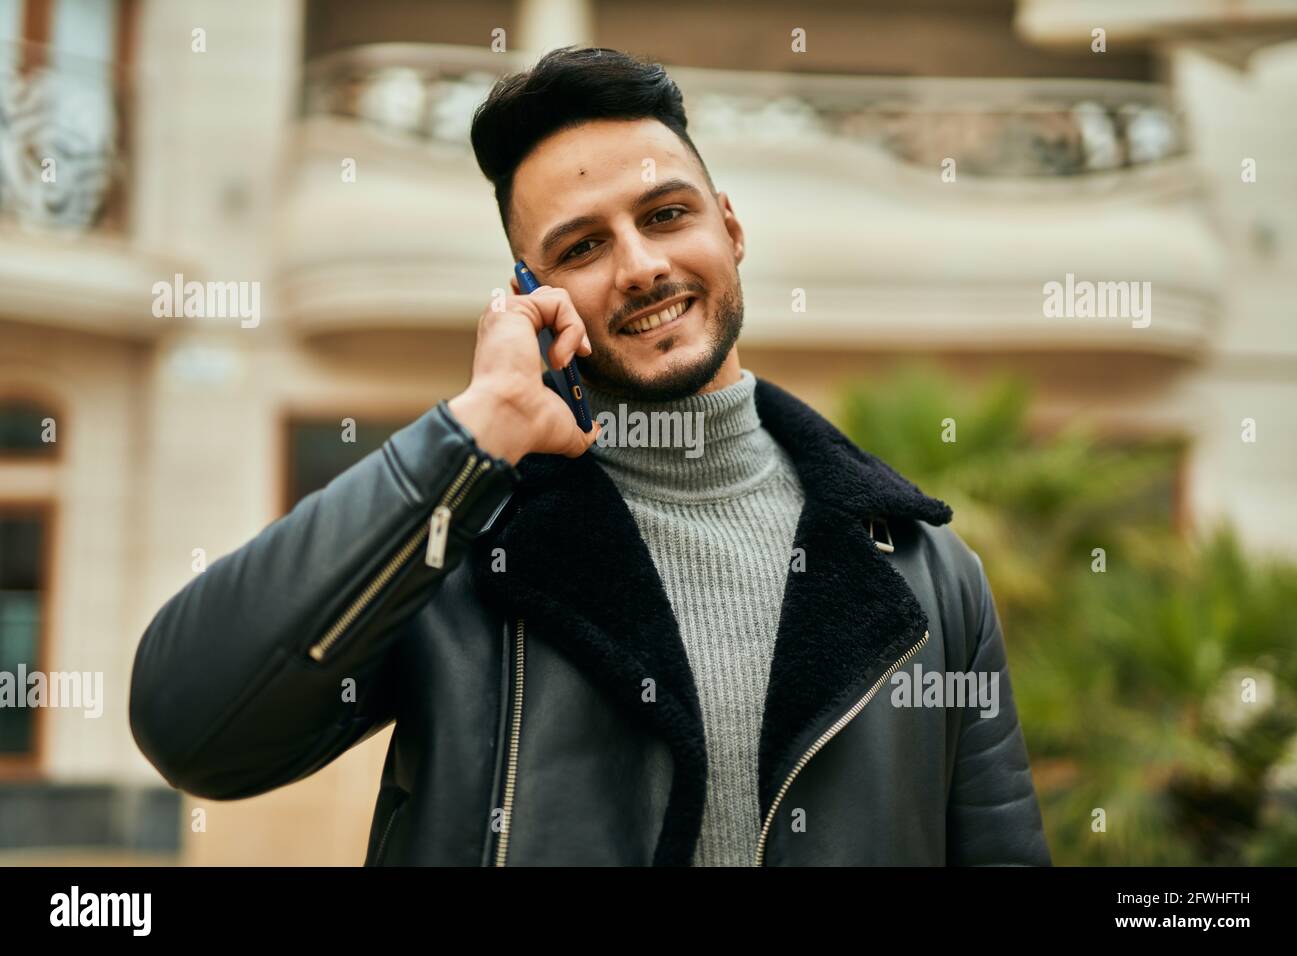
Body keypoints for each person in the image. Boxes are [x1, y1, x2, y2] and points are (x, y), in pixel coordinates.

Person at [130, 46, 1051, 867]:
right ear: (532, 296)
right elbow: (192, 725)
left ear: (728, 228)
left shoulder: (929, 571)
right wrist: (473, 430)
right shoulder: (460, 547)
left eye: (666, 213)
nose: (641, 264)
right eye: (583, 246)